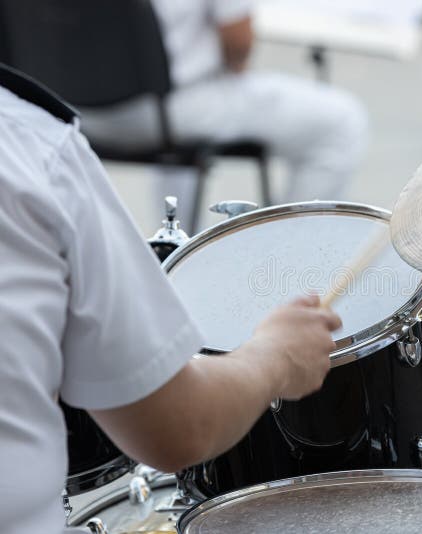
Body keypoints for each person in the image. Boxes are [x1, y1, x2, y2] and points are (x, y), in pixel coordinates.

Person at [0, 64, 341, 534]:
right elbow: (179, 429)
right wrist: (276, 357)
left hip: (115, 102)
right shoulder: (32, 147)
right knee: (341, 126)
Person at [79, 0, 368, 222]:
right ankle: (286, 265)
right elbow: (238, 46)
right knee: (341, 122)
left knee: (186, 129)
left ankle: (175, 250)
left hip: (76, 109)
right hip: (168, 111)